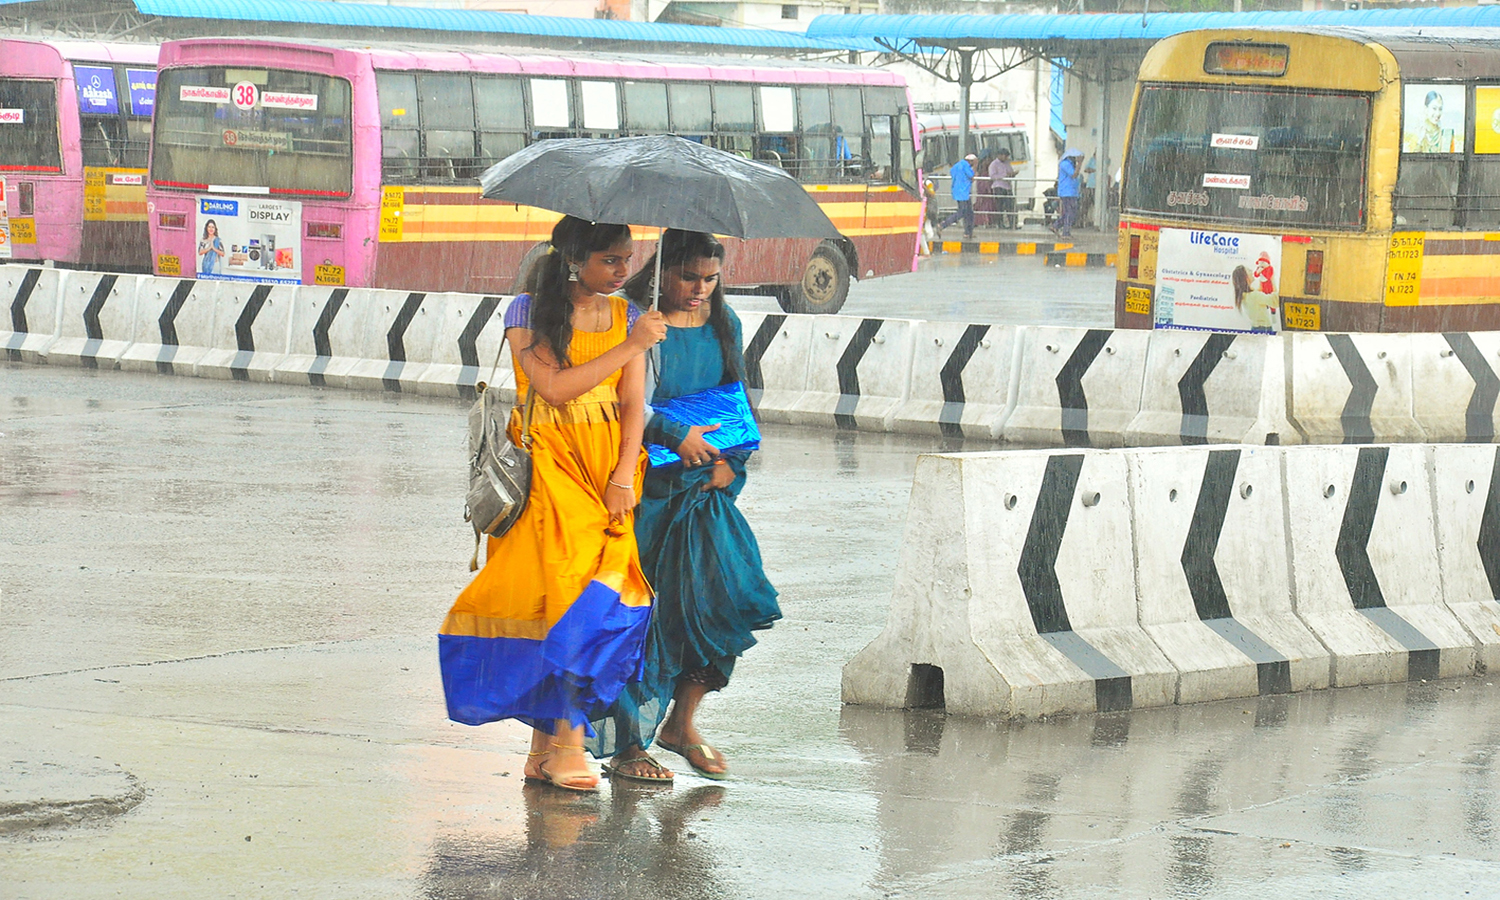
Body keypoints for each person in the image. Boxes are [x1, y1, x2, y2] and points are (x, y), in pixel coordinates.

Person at [439, 215, 669, 793]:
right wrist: (632, 346)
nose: (623, 271)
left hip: (606, 469)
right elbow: (556, 388)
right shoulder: (527, 312)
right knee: (569, 602)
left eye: (628, 258)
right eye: (610, 261)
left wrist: (622, 474)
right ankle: (568, 742)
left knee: (605, 592)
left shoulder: (630, 317)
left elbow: (634, 405)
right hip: (548, 466)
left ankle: (546, 748)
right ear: (575, 260)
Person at [590, 229, 782, 783]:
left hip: (706, 490)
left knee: (723, 603)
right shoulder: (633, 321)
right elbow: (621, 400)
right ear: (661, 271)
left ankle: (681, 722)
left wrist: (733, 464)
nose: (699, 289)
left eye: (711, 279)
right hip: (648, 489)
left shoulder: (726, 325)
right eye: (688, 277)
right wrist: (674, 432)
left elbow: (736, 400)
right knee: (643, 619)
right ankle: (628, 745)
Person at [937, 152, 978, 240]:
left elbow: (952, 173)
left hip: (958, 191)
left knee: (969, 212)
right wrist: (975, 167)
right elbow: (972, 175)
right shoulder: (966, 166)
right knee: (962, 212)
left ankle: (968, 232)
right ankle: (943, 225)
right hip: (964, 192)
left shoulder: (957, 165)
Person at [1404, 89, 1458, 153]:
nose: (1437, 113)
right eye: (1434, 108)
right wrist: (1420, 141)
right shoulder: (1417, 134)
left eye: (1440, 109)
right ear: (1426, 109)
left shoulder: (1447, 135)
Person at [1050, 148, 1084, 238]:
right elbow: (1074, 175)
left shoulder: (1070, 164)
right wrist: (1079, 164)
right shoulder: (1065, 164)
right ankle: (1065, 232)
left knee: (1069, 212)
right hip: (1067, 192)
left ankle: (1056, 226)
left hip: (1072, 192)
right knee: (1070, 212)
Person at [988, 148, 1019, 230]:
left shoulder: (1007, 163)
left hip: (1007, 187)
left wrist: (1012, 174)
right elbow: (992, 176)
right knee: (1000, 207)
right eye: (1004, 156)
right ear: (999, 155)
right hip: (999, 186)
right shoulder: (993, 164)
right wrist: (1004, 176)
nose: (1005, 158)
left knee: (1010, 206)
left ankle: (1013, 224)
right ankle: (1000, 225)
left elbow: (1010, 172)